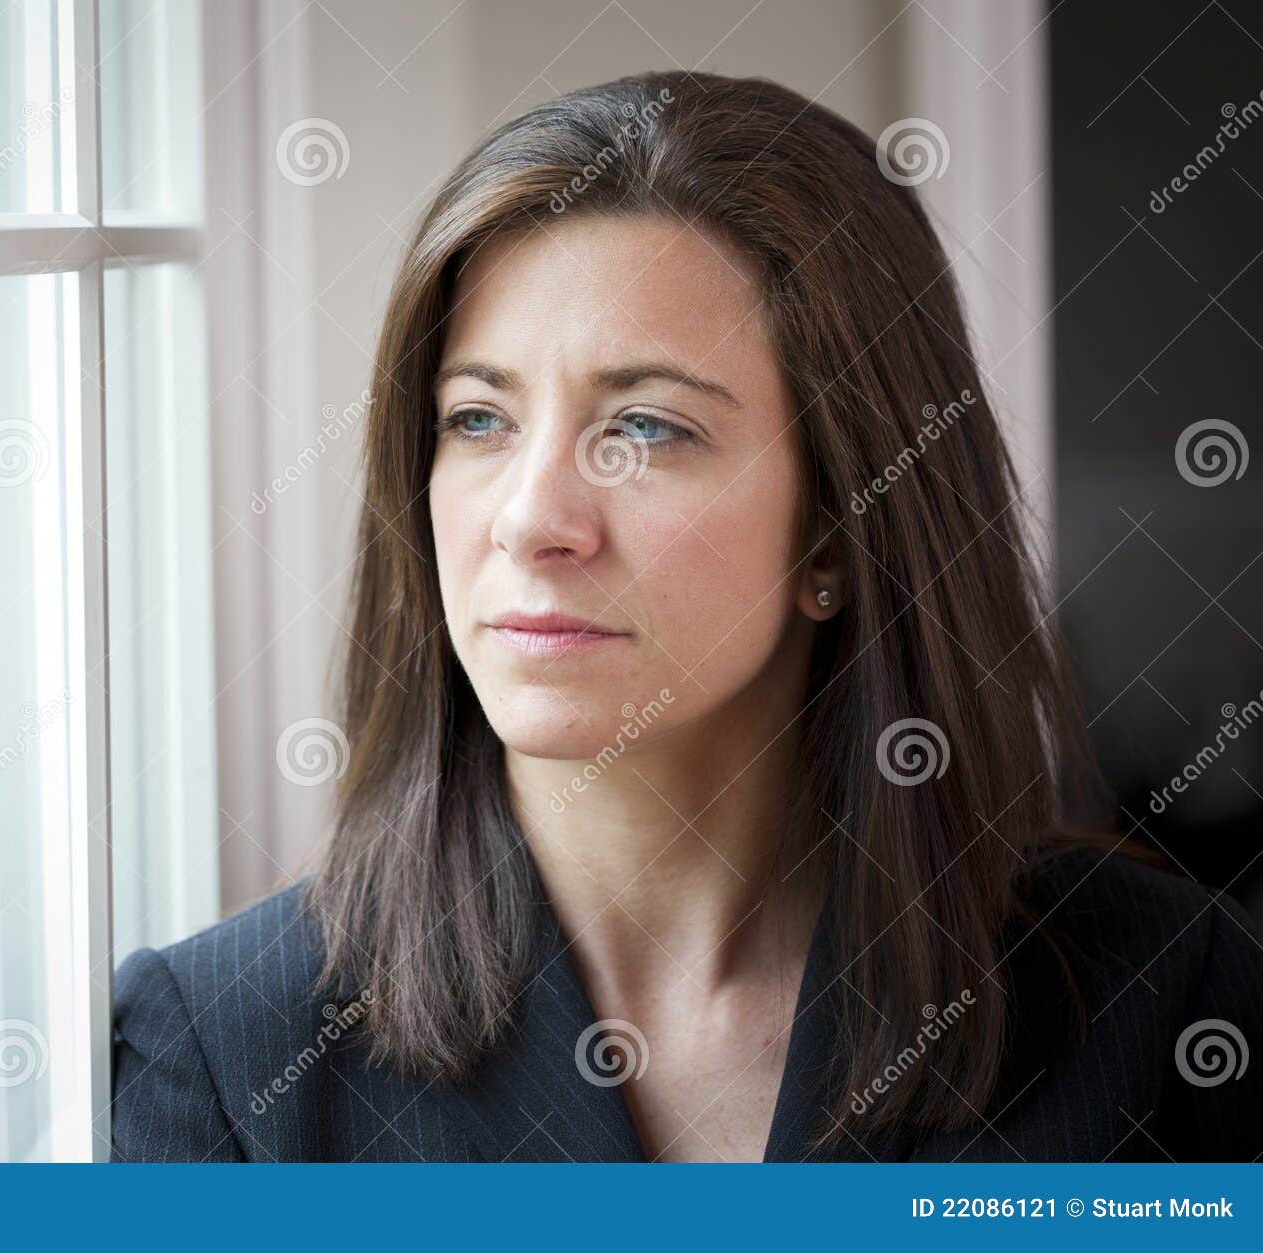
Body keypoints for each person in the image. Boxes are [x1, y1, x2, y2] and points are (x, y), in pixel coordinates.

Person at [109, 71, 1263, 1163]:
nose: (530, 519)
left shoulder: (1164, 1002)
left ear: (837, 528)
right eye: (476, 419)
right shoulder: (222, 1047)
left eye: (646, 428)